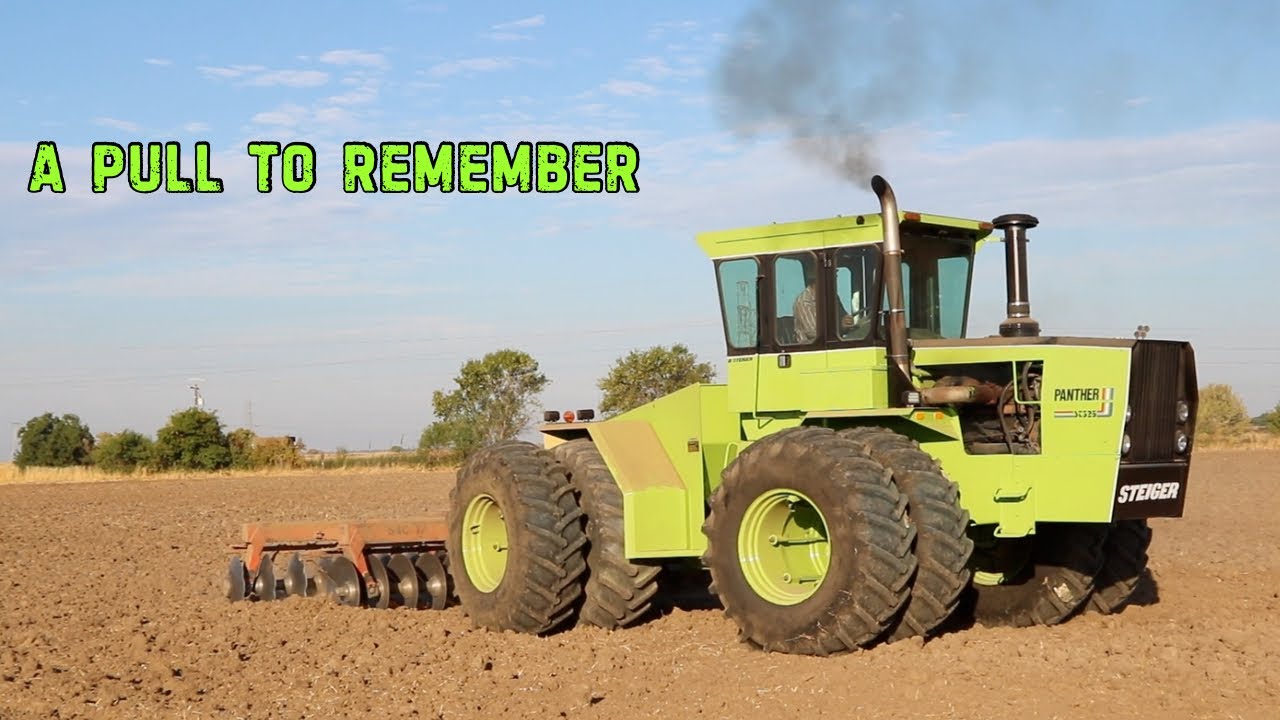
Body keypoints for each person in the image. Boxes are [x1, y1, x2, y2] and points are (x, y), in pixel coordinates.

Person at [792, 261, 856, 344]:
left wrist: (848, 321)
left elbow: (843, 316)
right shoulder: (803, 301)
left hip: (833, 343)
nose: (835, 280)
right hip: (812, 349)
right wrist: (840, 326)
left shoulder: (833, 296)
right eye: (833, 277)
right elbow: (814, 332)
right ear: (818, 280)